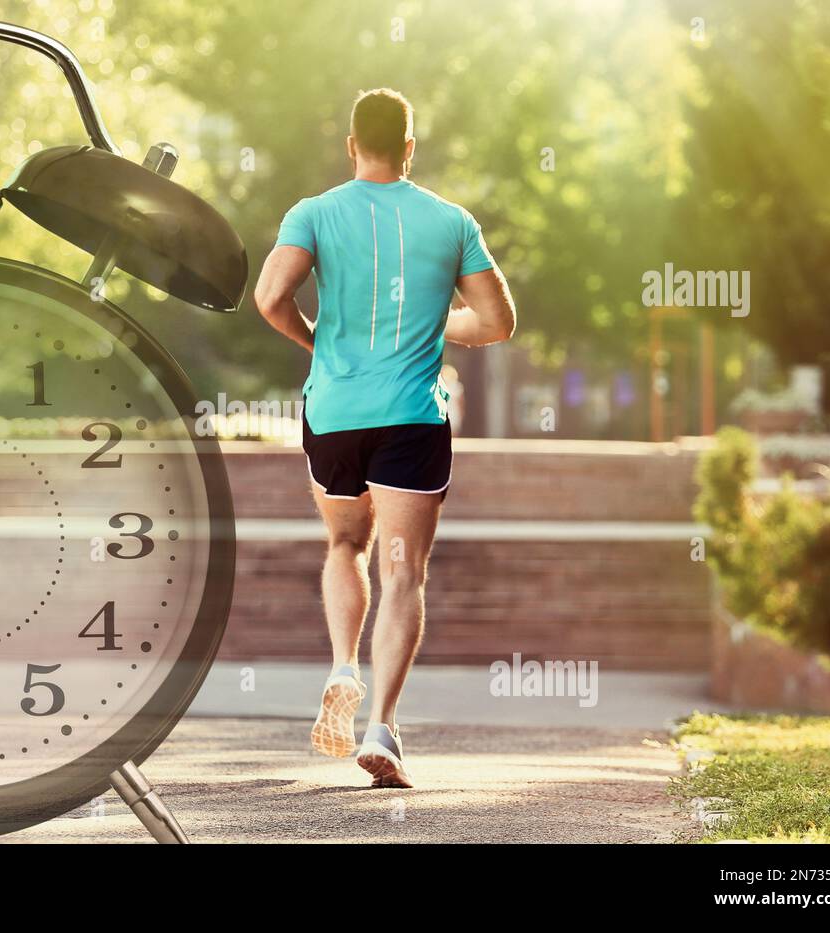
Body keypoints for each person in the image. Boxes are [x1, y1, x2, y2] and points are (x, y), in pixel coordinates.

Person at [254, 88, 516, 788]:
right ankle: (384, 729)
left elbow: (269, 297)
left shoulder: (312, 212)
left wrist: (315, 342)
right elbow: (497, 322)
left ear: (351, 145)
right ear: (410, 145)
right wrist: (437, 324)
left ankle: (343, 662)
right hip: (410, 419)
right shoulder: (451, 222)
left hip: (335, 413)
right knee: (403, 571)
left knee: (346, 544)